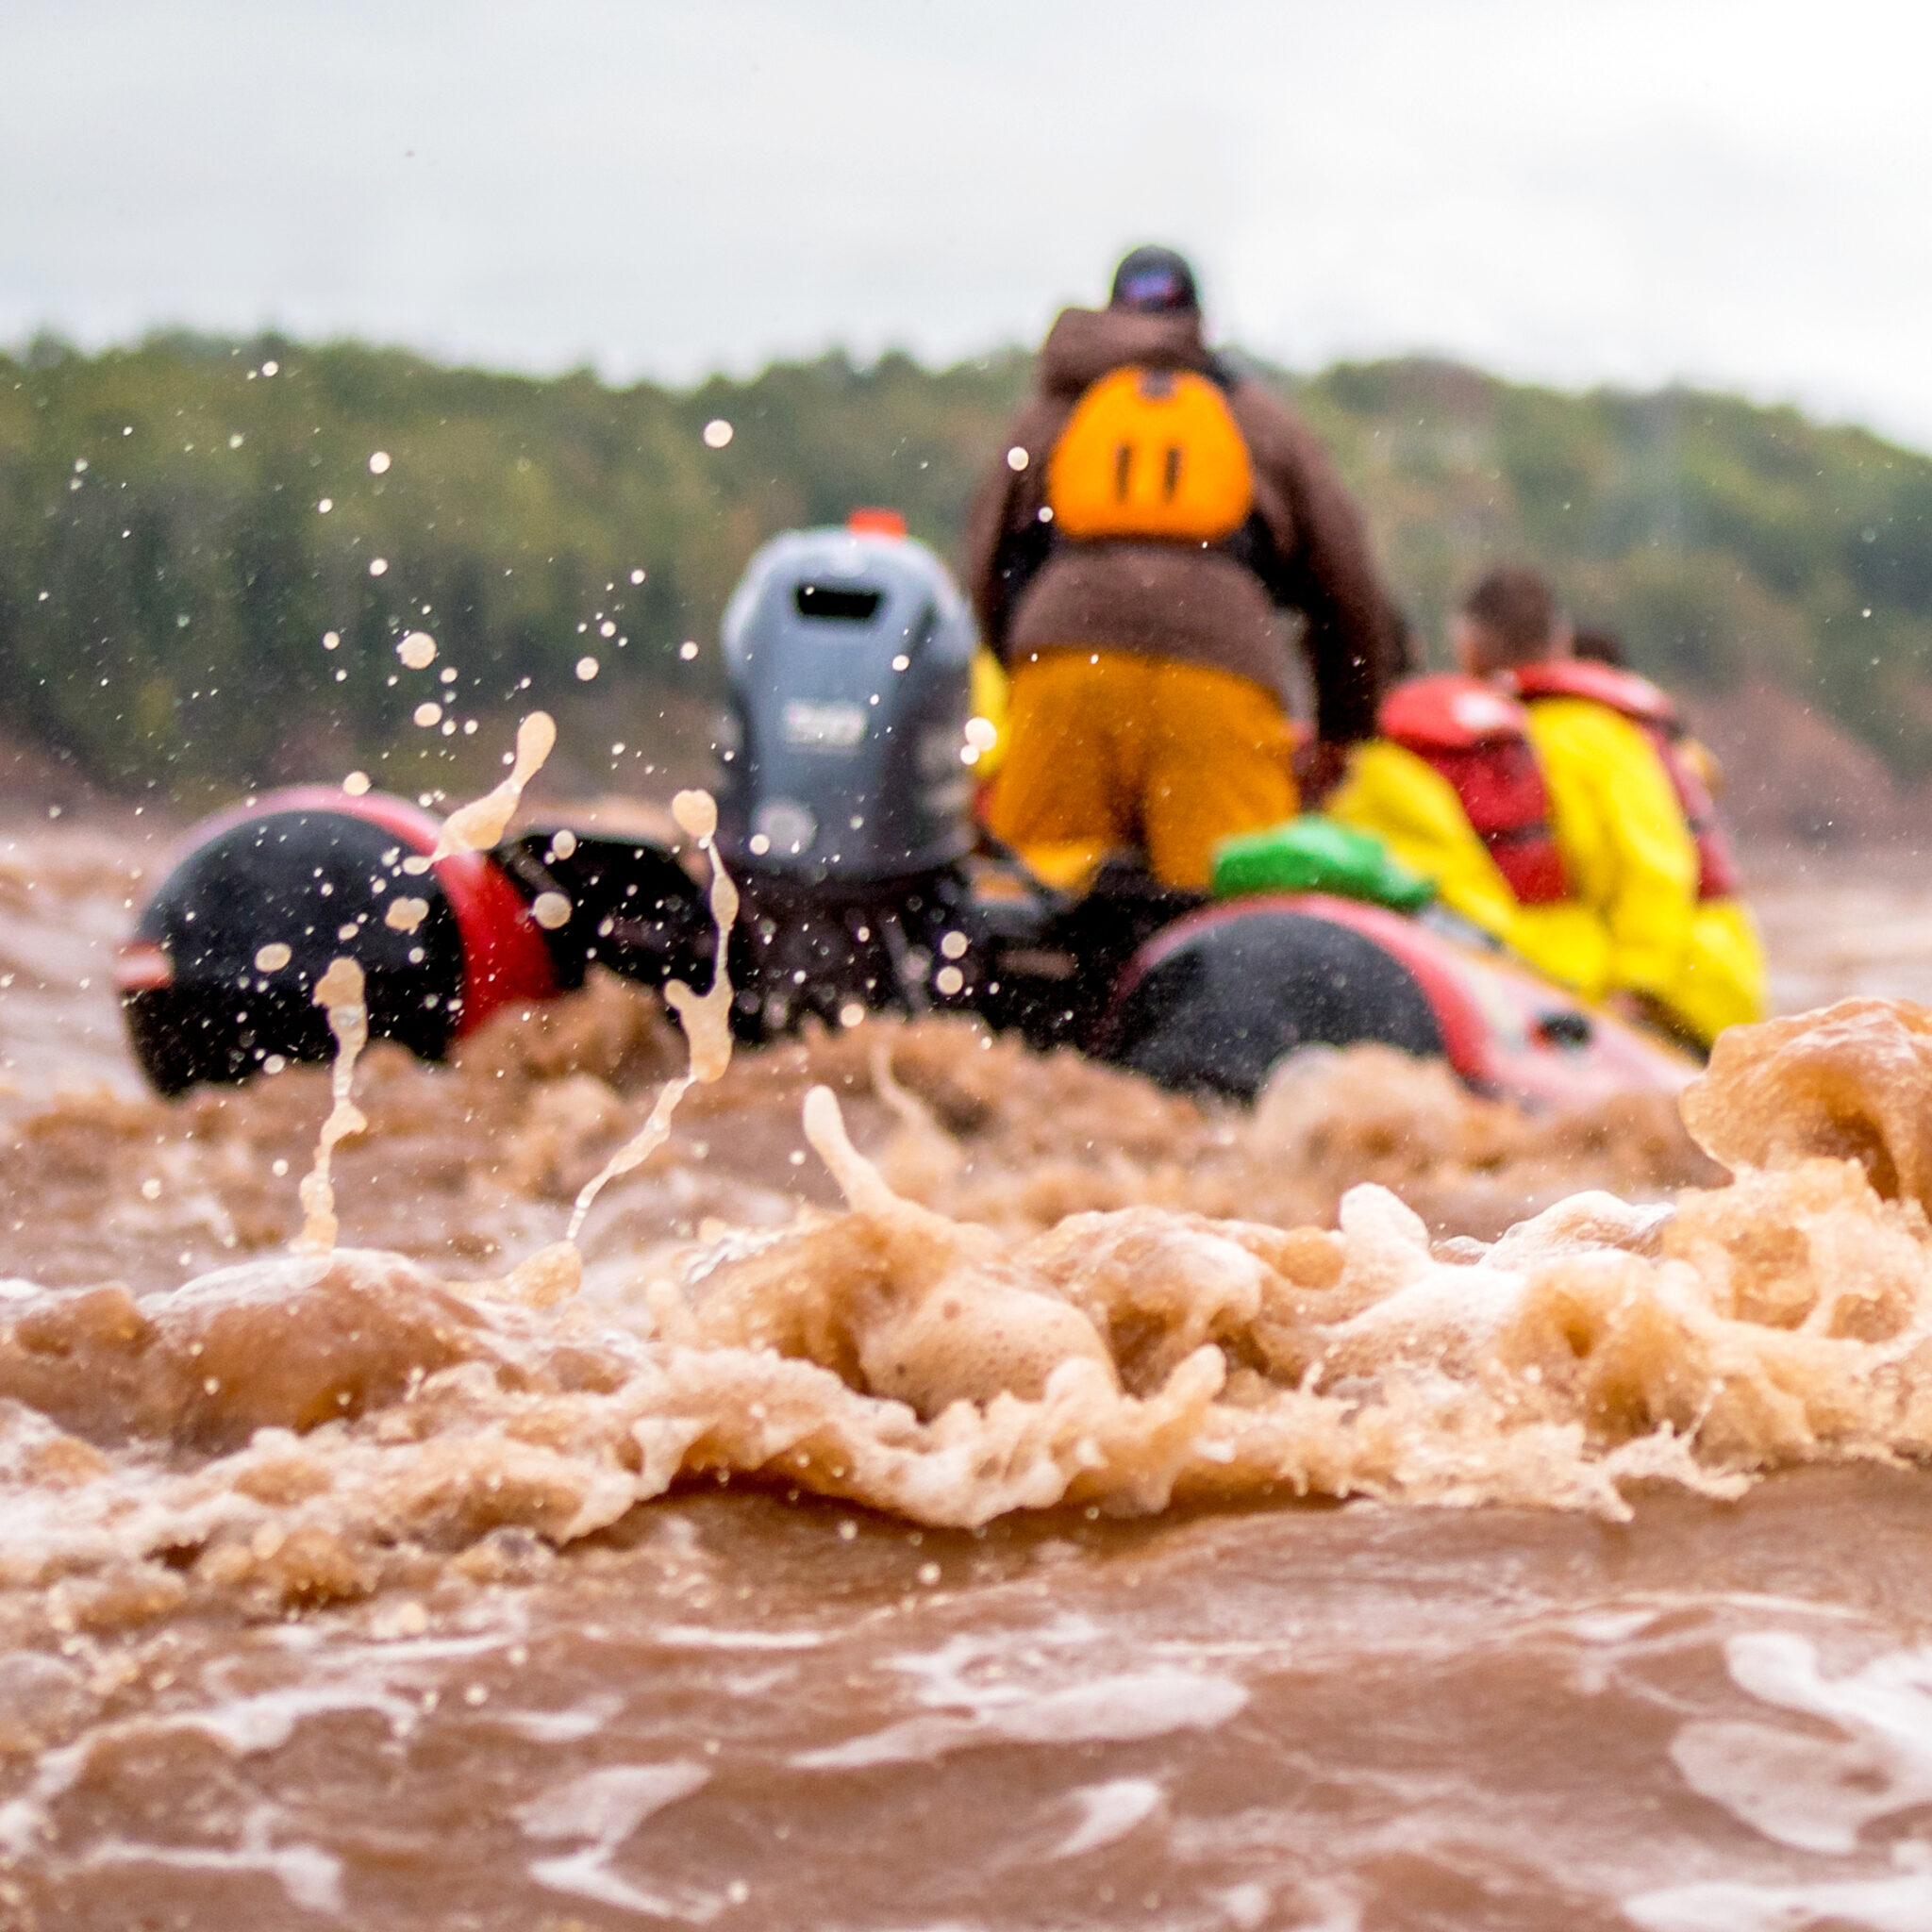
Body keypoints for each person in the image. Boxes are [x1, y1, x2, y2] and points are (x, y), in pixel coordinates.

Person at [964, 245, 1403, 891]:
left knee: (1030, 905)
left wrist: (1026, 664)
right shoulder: (1262, 421)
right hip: (1220, 672)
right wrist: (1343, 728)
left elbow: (986, 563)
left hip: (1068, 666)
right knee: (1235, 906)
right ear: (1199, 320)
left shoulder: (1048, 416)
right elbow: (1347, 585)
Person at [1454, 567, 1765, 1047]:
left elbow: (1657, 871)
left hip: (1682, 996)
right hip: (1627, 987)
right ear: (1559, 641)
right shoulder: (1590, 733)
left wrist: (1634, 991)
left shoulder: (1574, 740)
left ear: (1468, 649)